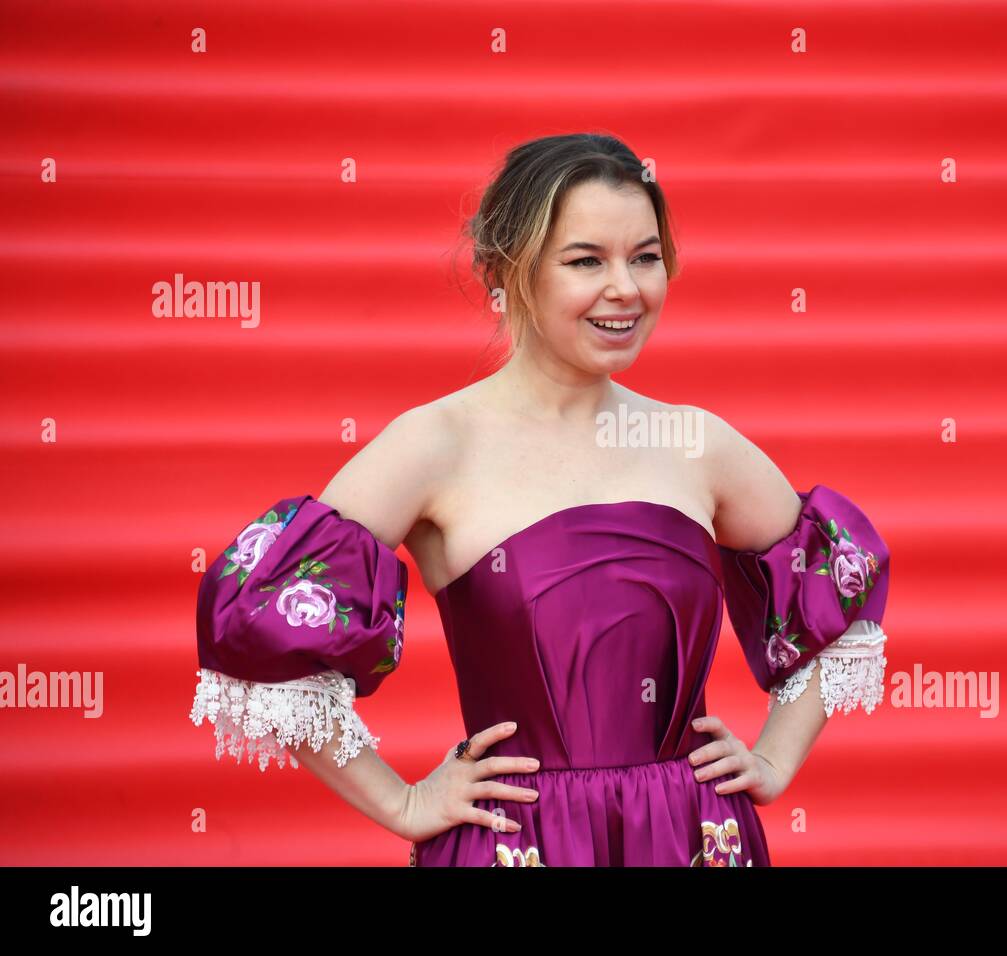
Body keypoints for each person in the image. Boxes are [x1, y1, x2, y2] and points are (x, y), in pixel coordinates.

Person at [188, 132, 891, 867]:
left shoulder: (697, 442)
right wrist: (399, 802)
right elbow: (259, 623)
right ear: (509, 274)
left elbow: (838, 586)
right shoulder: (434, 444)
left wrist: (775, 759)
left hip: (692, 839)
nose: (626, 289)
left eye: (645, 257)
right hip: (519, 844)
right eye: (586, 260)